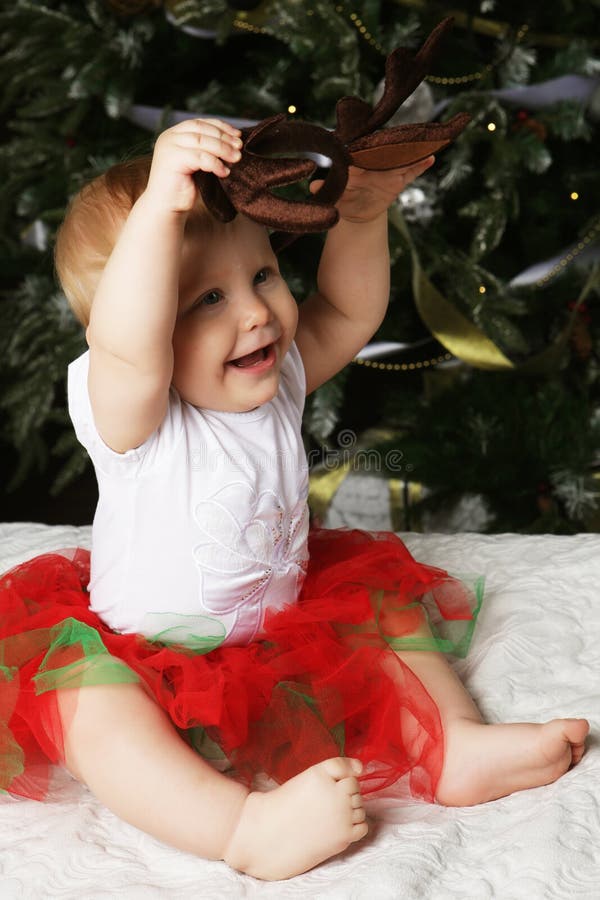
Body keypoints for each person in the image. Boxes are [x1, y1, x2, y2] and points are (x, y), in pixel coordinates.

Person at [0, 118, 589, 881]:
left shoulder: (275, 378)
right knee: (91, 710)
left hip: (281, 631)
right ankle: (241, 827)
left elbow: (346, 312)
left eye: (262, 275)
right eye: (207, 298)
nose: (254, 312)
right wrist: (157, 210)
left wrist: (362, 214)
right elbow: (127, 342)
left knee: (384, 606)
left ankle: (453, 743)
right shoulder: (131, 410)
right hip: (143, 656)